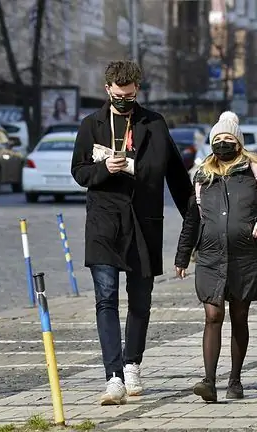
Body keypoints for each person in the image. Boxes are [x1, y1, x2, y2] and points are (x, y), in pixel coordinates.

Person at [71, 60, 193, 405]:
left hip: (143, 223)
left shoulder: (154, 123)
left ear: (137, 89)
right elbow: (78, 170)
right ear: (108, 88)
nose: (124, 99)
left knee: (140, 300)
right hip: (104, 224)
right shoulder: (91, 124)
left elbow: (169, 173)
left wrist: (193, 220)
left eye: (130, 94)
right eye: (118, 94)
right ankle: (113, 376)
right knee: (105, 299)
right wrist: (103, 169)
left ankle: (132, 364)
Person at [174, 111, 257, 403]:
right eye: (218, 139)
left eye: (228, 139)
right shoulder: (201, 176)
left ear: (238, 142)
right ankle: (208, 381)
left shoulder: (254, 171)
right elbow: (192, 220)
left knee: (239, 316)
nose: (223, 144)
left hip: (243, 256)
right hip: (210, 256)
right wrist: (182, 256)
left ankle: (235, 380)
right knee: (213, 315)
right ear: (212, 143)